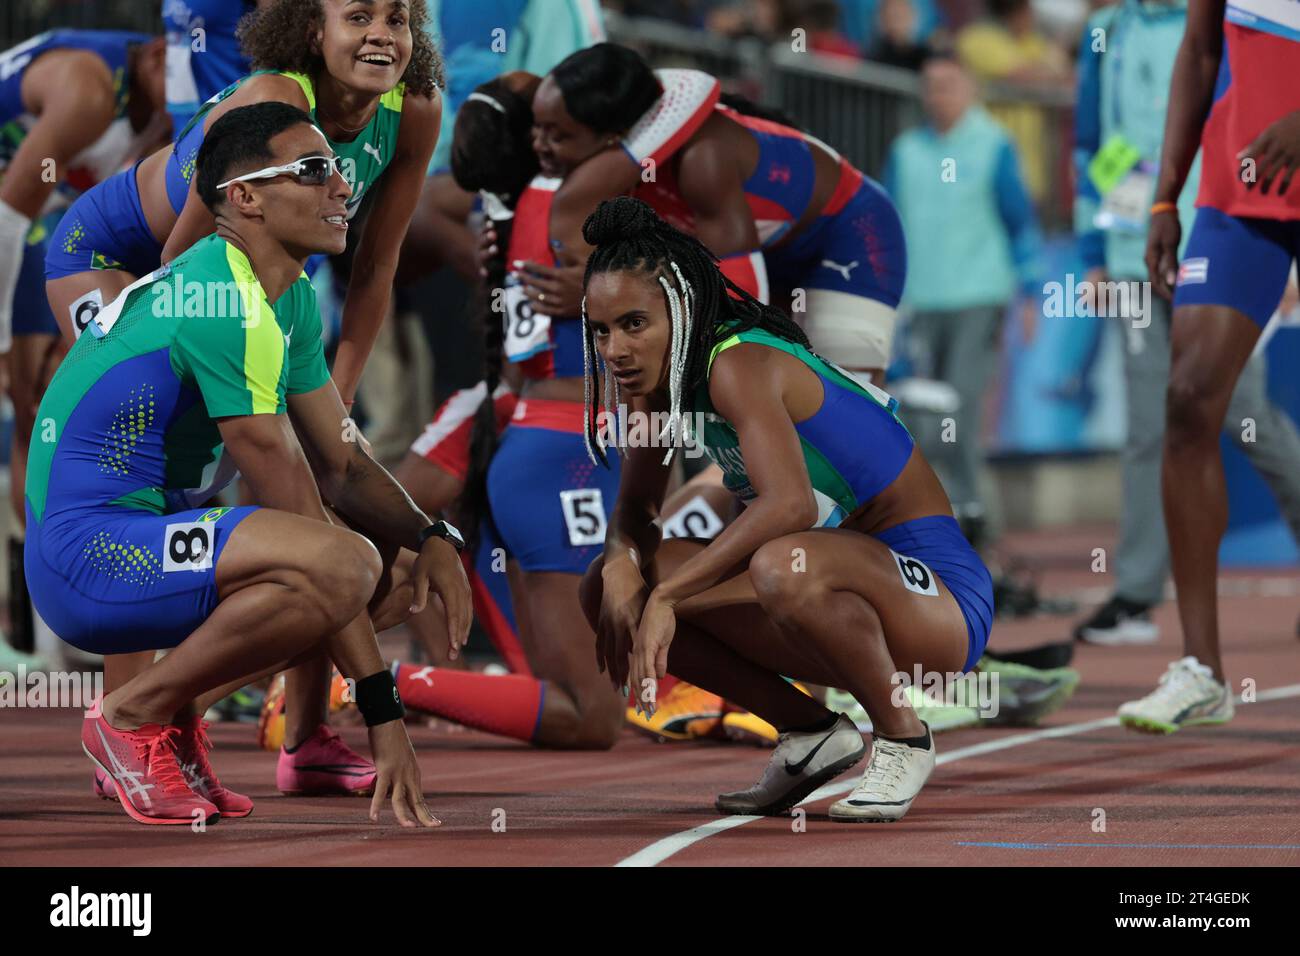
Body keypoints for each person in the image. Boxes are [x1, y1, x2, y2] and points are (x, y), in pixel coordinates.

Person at [27, 101, 471, 826]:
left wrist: (432, 535)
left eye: (338, 168)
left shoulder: (286, 297)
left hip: (141, 535)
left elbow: (344, 465)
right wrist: (383, 715)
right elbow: (306, 510)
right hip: (86, 558)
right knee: (346, 566)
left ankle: (172, 718)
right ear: (244, 198)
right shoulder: (222, 299)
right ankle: (130, 715)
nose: (342, 186)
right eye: (314, 171)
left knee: (381, 572)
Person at [577, 197, 994, 821]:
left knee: (780, 562)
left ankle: (904, 737)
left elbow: (790, 504)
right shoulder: (654, 391)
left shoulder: (737, 363)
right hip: (825, 586)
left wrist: (664, 599)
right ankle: (810, 732)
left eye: (635, 323)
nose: (615, 349)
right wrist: (620, 563)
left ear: (683, 311)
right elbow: (637, 510)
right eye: (601, 330)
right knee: (604, 589)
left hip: (938, 600)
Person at [1071, 0, 1300, 646]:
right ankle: (1138, 595)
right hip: (1142, 244)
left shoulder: (1230, 18)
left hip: (1243, 220)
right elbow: (1094, 146)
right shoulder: (1105, 32)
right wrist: (1097, 251)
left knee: (1248, 418)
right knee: (1156, 424)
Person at [522, 43, 906, 386]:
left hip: (850, 231)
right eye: (536, 129)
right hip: (769, 249)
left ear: (613, 135)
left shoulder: (702, 159)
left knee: (847, 407)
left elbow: (743, 305)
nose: (539, 145)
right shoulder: (609, 166)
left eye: (557, 135)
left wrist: (608, 303)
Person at [1128, 0, 1300, 731]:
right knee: (1190, 399)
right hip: (1244, 185)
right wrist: (1165, 192)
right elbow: (1199, 52)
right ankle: (1202, 670)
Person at [0, 29, 169, 669]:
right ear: (155, 55)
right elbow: (7, 219)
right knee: (32, 400)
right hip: (17, 229)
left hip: (44, 232)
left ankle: (51, 642)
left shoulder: (153, 103)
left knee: (42, 407)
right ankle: (45, 639)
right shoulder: (92, 88)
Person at [884, 52, 1040, 546]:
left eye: (948, 85)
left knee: (960, 419)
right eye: (930, 85)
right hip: (921, 304)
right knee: (922, 426)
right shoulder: (905, 151)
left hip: (978, 298)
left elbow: (1020, 222)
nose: (938, 95)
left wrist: (1032, 293)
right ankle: (937, 529)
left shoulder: (993, 144)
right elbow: (887, 227)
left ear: (970, 88)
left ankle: (977, 532)